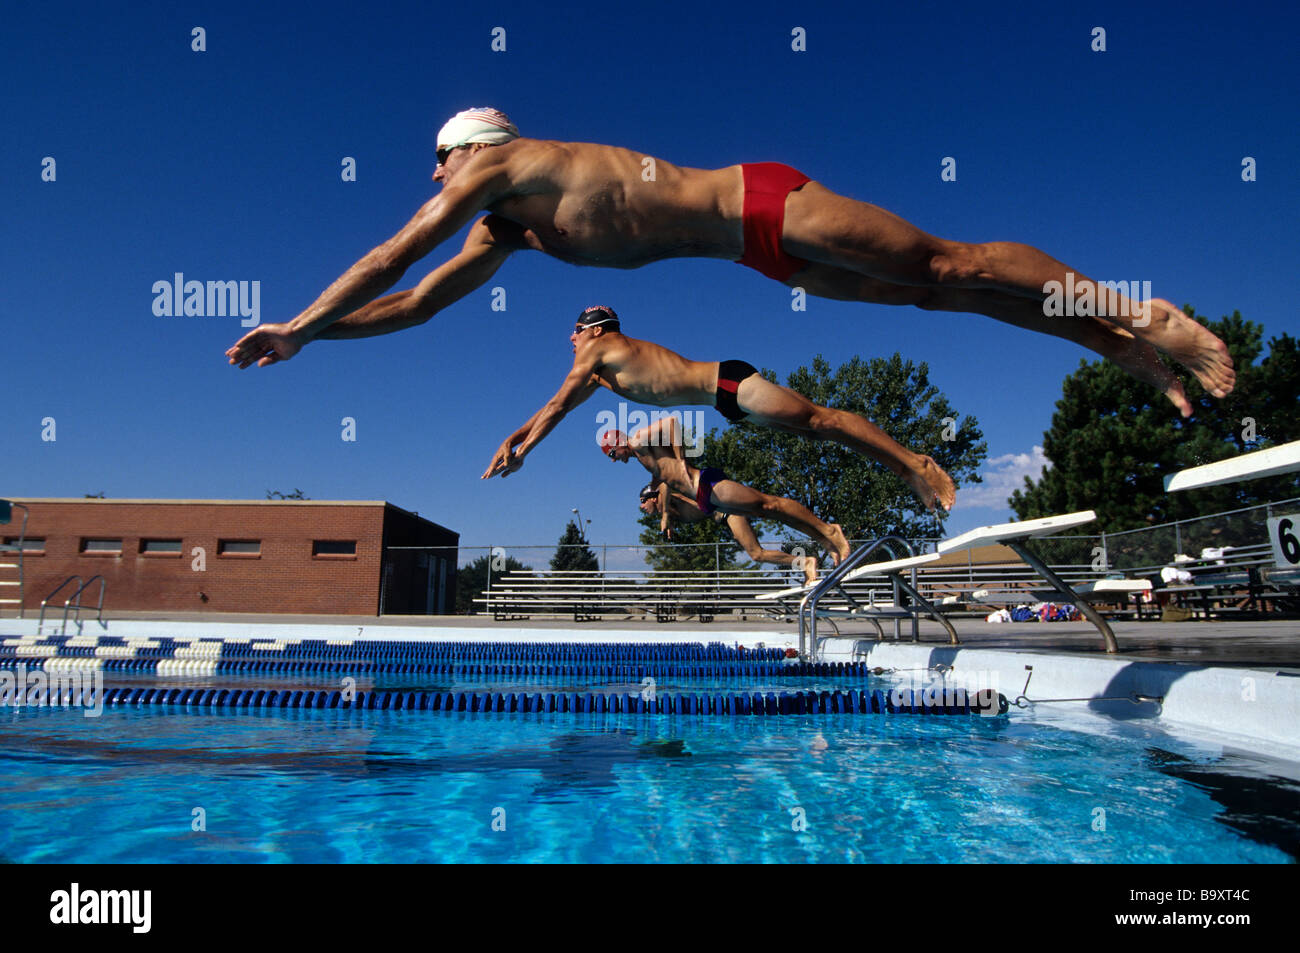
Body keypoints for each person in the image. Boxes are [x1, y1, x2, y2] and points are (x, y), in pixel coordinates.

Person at [225, 107, 1234, 419]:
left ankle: (1150, 318)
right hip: (761, 256)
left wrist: (302, 318)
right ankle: (1119, 351)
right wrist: (309, 341)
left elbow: (391, 252)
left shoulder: (498, 163)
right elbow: (414, 302)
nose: (437, 183)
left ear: (462, 151)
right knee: (944, 300)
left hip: (760, 198)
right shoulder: (505, 229)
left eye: (436, 168)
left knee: (949, 258)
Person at [481, 305, 955, 513]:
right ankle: (904, 468)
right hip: (727, 402)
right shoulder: (600, 372)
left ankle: (917, 462)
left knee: (820, 418)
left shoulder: (598, 350)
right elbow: (555, 406)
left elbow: (559, 401)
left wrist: (521, 448)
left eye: (576, 331)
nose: (571, 339)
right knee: (818, 431)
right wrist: (516, 440)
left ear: (597, 329)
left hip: (728, 383)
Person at [599, 416, 850, 566]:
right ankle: (822, 539)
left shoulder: (638, 440)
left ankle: (829, 530)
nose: (613, 459)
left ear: (619, 443)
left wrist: (682, 459)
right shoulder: (642, 456)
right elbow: (663, 475)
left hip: (706, 486)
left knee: (770, 505)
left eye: (612, 453)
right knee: (770, 514)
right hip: (708, 498)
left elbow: (672, 423)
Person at [639, 483, 819, 585]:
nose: (641, 507)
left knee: (757, 554)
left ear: (653, 498)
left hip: (729, 511)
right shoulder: (670, 511)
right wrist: (668, 522)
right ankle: (804, 564)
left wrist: (665, 516)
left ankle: (806, 562)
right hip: (726, 518)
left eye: (643, 501)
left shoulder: (666, 500)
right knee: (757, 553)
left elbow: (663, 483)